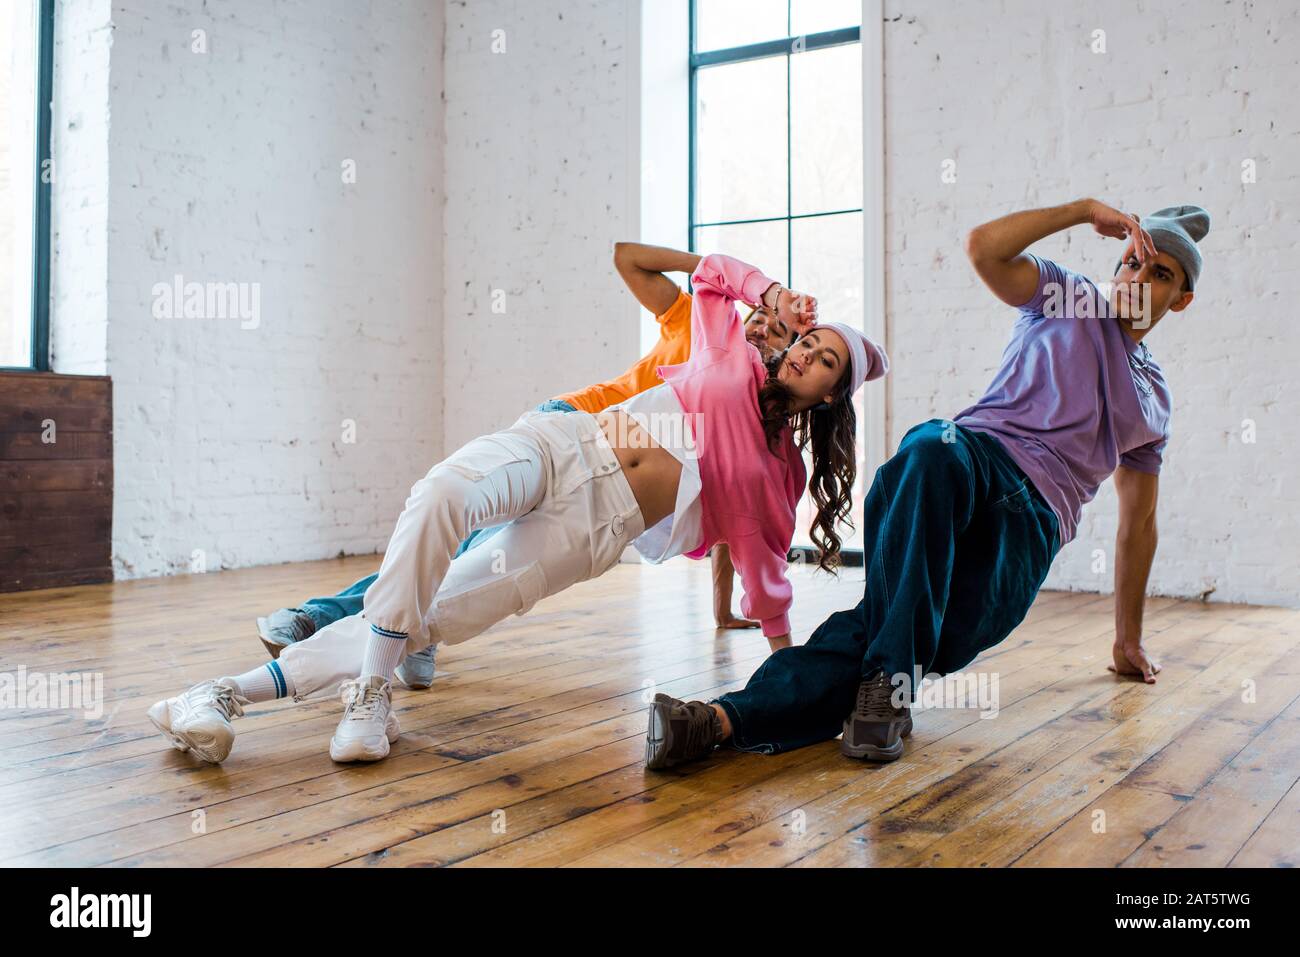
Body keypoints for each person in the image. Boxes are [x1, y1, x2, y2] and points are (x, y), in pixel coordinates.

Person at [147, 249, 889, 764]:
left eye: (824, 360)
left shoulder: (779, 473)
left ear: (831, 395)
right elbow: (710, 272)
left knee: (433, 617)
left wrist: (792, 680)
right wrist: (770, 296)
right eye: (808, 341)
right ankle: (371, 693)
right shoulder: (731, 348)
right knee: (439, 492)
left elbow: (767, 587)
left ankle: (218, 694)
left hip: (592, 528)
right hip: (565, 442)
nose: (803, 354)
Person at [645, 199, 1207, 768]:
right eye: (1132, 262)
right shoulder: (1071, 299)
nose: (1138, 278)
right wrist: (1084, 210)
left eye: (1160, 274)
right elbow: (984, 247)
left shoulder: (1153, 399)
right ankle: (889, 687)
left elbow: (1139, 523)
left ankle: (715, 722)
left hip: (1030, 530)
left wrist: (1127, 640)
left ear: (1182, 300)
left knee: (888, 630)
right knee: (931, 446)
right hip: (975, 459)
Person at [254, 242, 801, 689]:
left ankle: (408, 636)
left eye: (778, 333)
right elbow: (626, 256)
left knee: (481, 558)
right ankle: (327, 620)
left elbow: (731, 505)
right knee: (462, 531)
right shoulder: (697, 324)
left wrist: (723, 610)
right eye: (760, 319)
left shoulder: (746, 401)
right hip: (574, 425)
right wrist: (753, 283)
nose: (762, 329)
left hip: (612, 486)